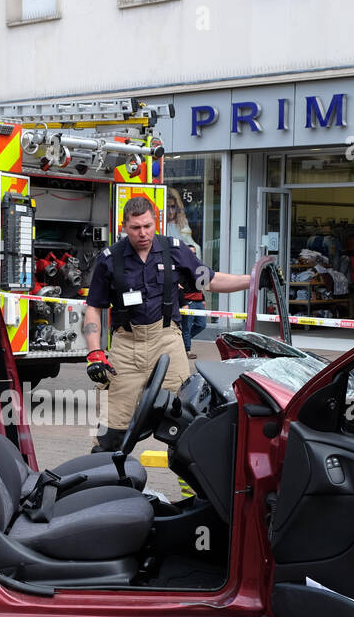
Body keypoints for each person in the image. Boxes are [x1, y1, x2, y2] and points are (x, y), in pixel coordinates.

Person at [85, 195, 251, 453]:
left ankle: (196, 486)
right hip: (125, 348)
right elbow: (94, 308)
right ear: (124, 226)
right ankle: (103, 485)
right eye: (136, 228)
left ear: (156, 222)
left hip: (167, 342)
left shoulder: (174, 249)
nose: (143, 233)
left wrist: (252, 280)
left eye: (148, 226)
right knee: (111, 432)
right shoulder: (109, 259)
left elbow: (211, 280)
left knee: (187, 422)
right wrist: (95, 353)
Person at [165, 189, 205, 360]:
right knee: (187, 326)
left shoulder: (183, 229)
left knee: (200, 325)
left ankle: (182, 342)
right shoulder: (178, 269)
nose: (171, 211)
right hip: (187, 300)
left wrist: (203, 299)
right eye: (168, 207)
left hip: (196, 299)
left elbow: (208, 281)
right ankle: (185, 348)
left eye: (174, 207)